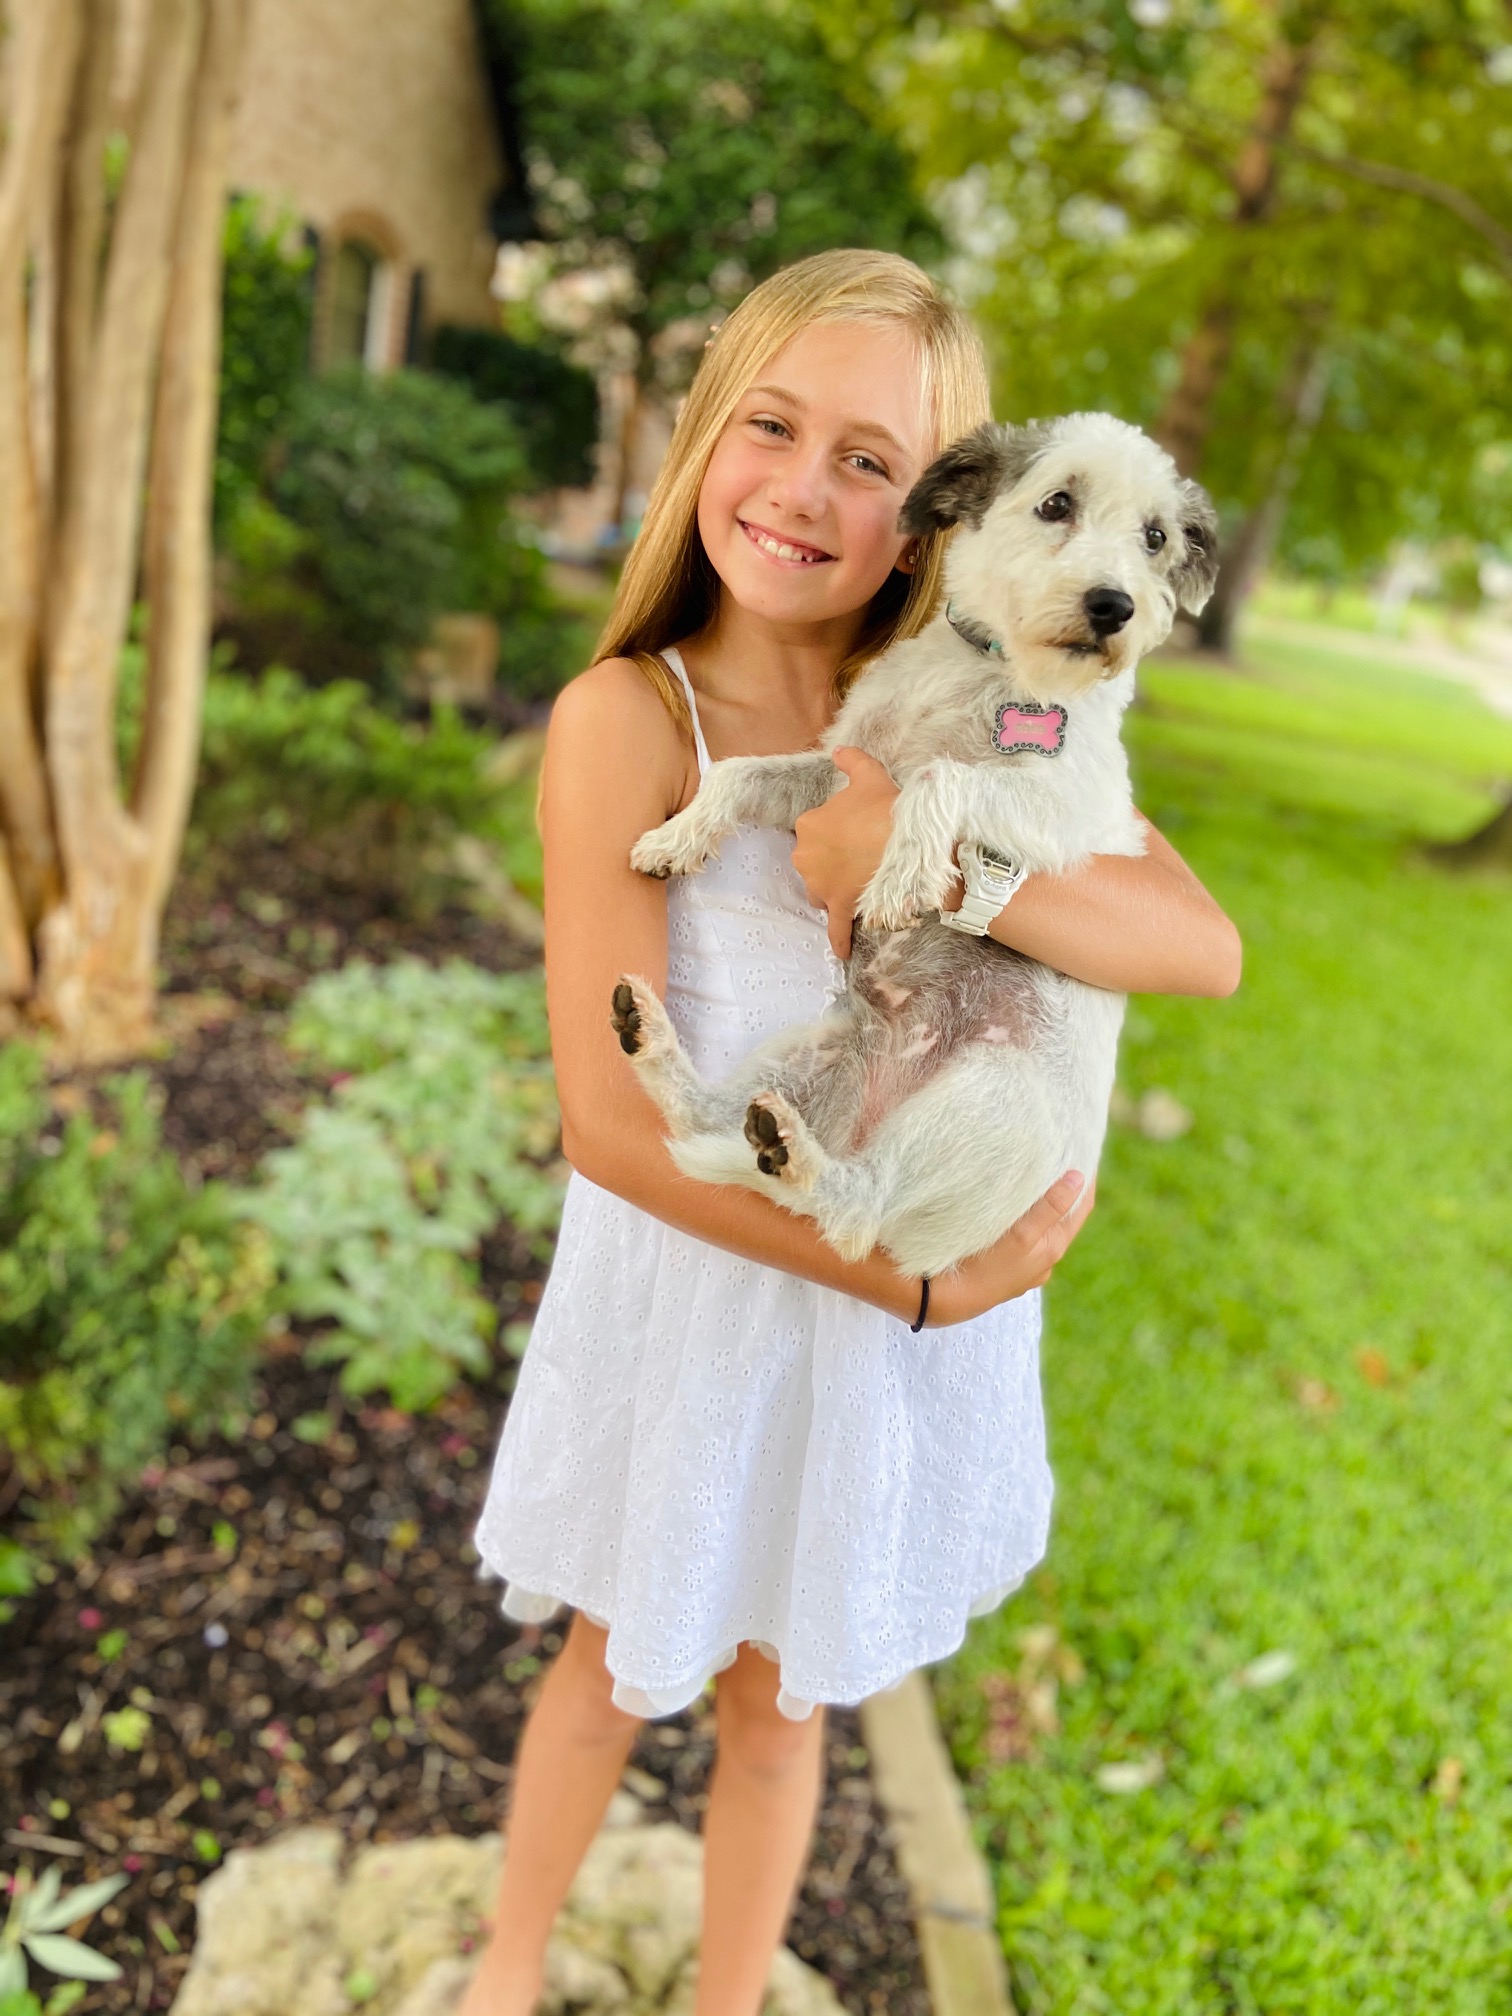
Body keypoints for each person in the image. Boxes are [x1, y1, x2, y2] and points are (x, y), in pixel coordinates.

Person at [462, 249, 1241, 2016]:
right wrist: (915, 1294)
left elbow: (1197, 941)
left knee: (784, 1695)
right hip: (719, 1283)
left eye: (871, 460)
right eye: (773, 428)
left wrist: (937, 849)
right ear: (704, 441)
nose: (808, 490)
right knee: (609, 1657)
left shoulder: (979, 701)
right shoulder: (629, 719)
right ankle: (503, 1975)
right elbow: (605, 1118)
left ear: (937, 511)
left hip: (873, 1290)